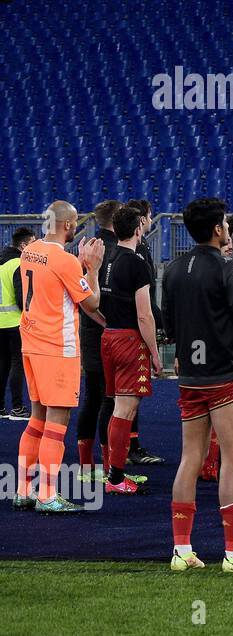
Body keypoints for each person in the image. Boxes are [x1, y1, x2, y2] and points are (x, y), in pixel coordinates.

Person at [163, 197, 233, 572]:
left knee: (190, 459)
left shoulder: (174, 269)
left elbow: (171, 326)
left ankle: (182, 549)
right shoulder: (229, 268)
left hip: (191, 380)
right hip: (226, 374)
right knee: (231, 461)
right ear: (217, 229)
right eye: (225, 222)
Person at [13, 201, 104, 513]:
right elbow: (92, 303)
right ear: (68, 225)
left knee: (37, 417)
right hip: (57, 346)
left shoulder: (30, 250)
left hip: (31, 342)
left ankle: (24, 490)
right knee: (57, 419)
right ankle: (48, 495)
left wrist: (76, 264)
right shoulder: (64, 260)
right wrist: (91, 267)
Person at [96, 205, 162, 496]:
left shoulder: (107, 257)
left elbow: (94, 302)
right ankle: (116, 478)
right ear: (138, 229)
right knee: (125, 409)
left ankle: (113, 471)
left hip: (108, 336)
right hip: (128, 340)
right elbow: (145, 315)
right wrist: (155, 353)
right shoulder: (137, 264)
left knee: (115, 407)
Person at [74, 200, 120, 479]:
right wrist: (108, 321)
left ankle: (86, 464)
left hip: (89, 333)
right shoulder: (113, 250)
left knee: (93, 397)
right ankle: (108, 465)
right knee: (107, 399)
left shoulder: (85, 246)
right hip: (107, 331)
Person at [124, 198, 164, 466]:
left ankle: (121, 450)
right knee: (129, 395)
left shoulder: (120, 250)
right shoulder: (138, 251)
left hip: (117, 328)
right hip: (132, 328)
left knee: (119, 397)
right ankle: (128, 449)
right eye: (149, 216)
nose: (150, 221)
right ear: (142, 220)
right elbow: (144, 297)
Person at [0, 227, 33, 418]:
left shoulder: (1, 262)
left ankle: (1, 407)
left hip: (0, 322)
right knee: (16, 364)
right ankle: (18, 407)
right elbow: (22, 296)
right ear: (23, 245)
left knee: (2, 363)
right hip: (14, 322)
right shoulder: (18, 263)